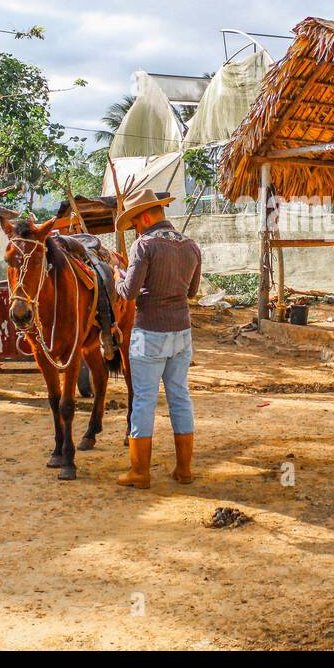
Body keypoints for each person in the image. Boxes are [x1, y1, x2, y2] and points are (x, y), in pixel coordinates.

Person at [112, 187, 203, 489]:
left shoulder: (144, 245)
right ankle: (184, 469)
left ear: (147, 216)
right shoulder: (190, 246)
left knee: (144, 400)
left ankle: (140, 472)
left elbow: (129, 292)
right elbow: (191, 292)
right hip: (182, 332)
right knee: (179, 396)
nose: (136, 228)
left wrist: (117, 275)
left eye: (136, 222)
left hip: (149, 332)